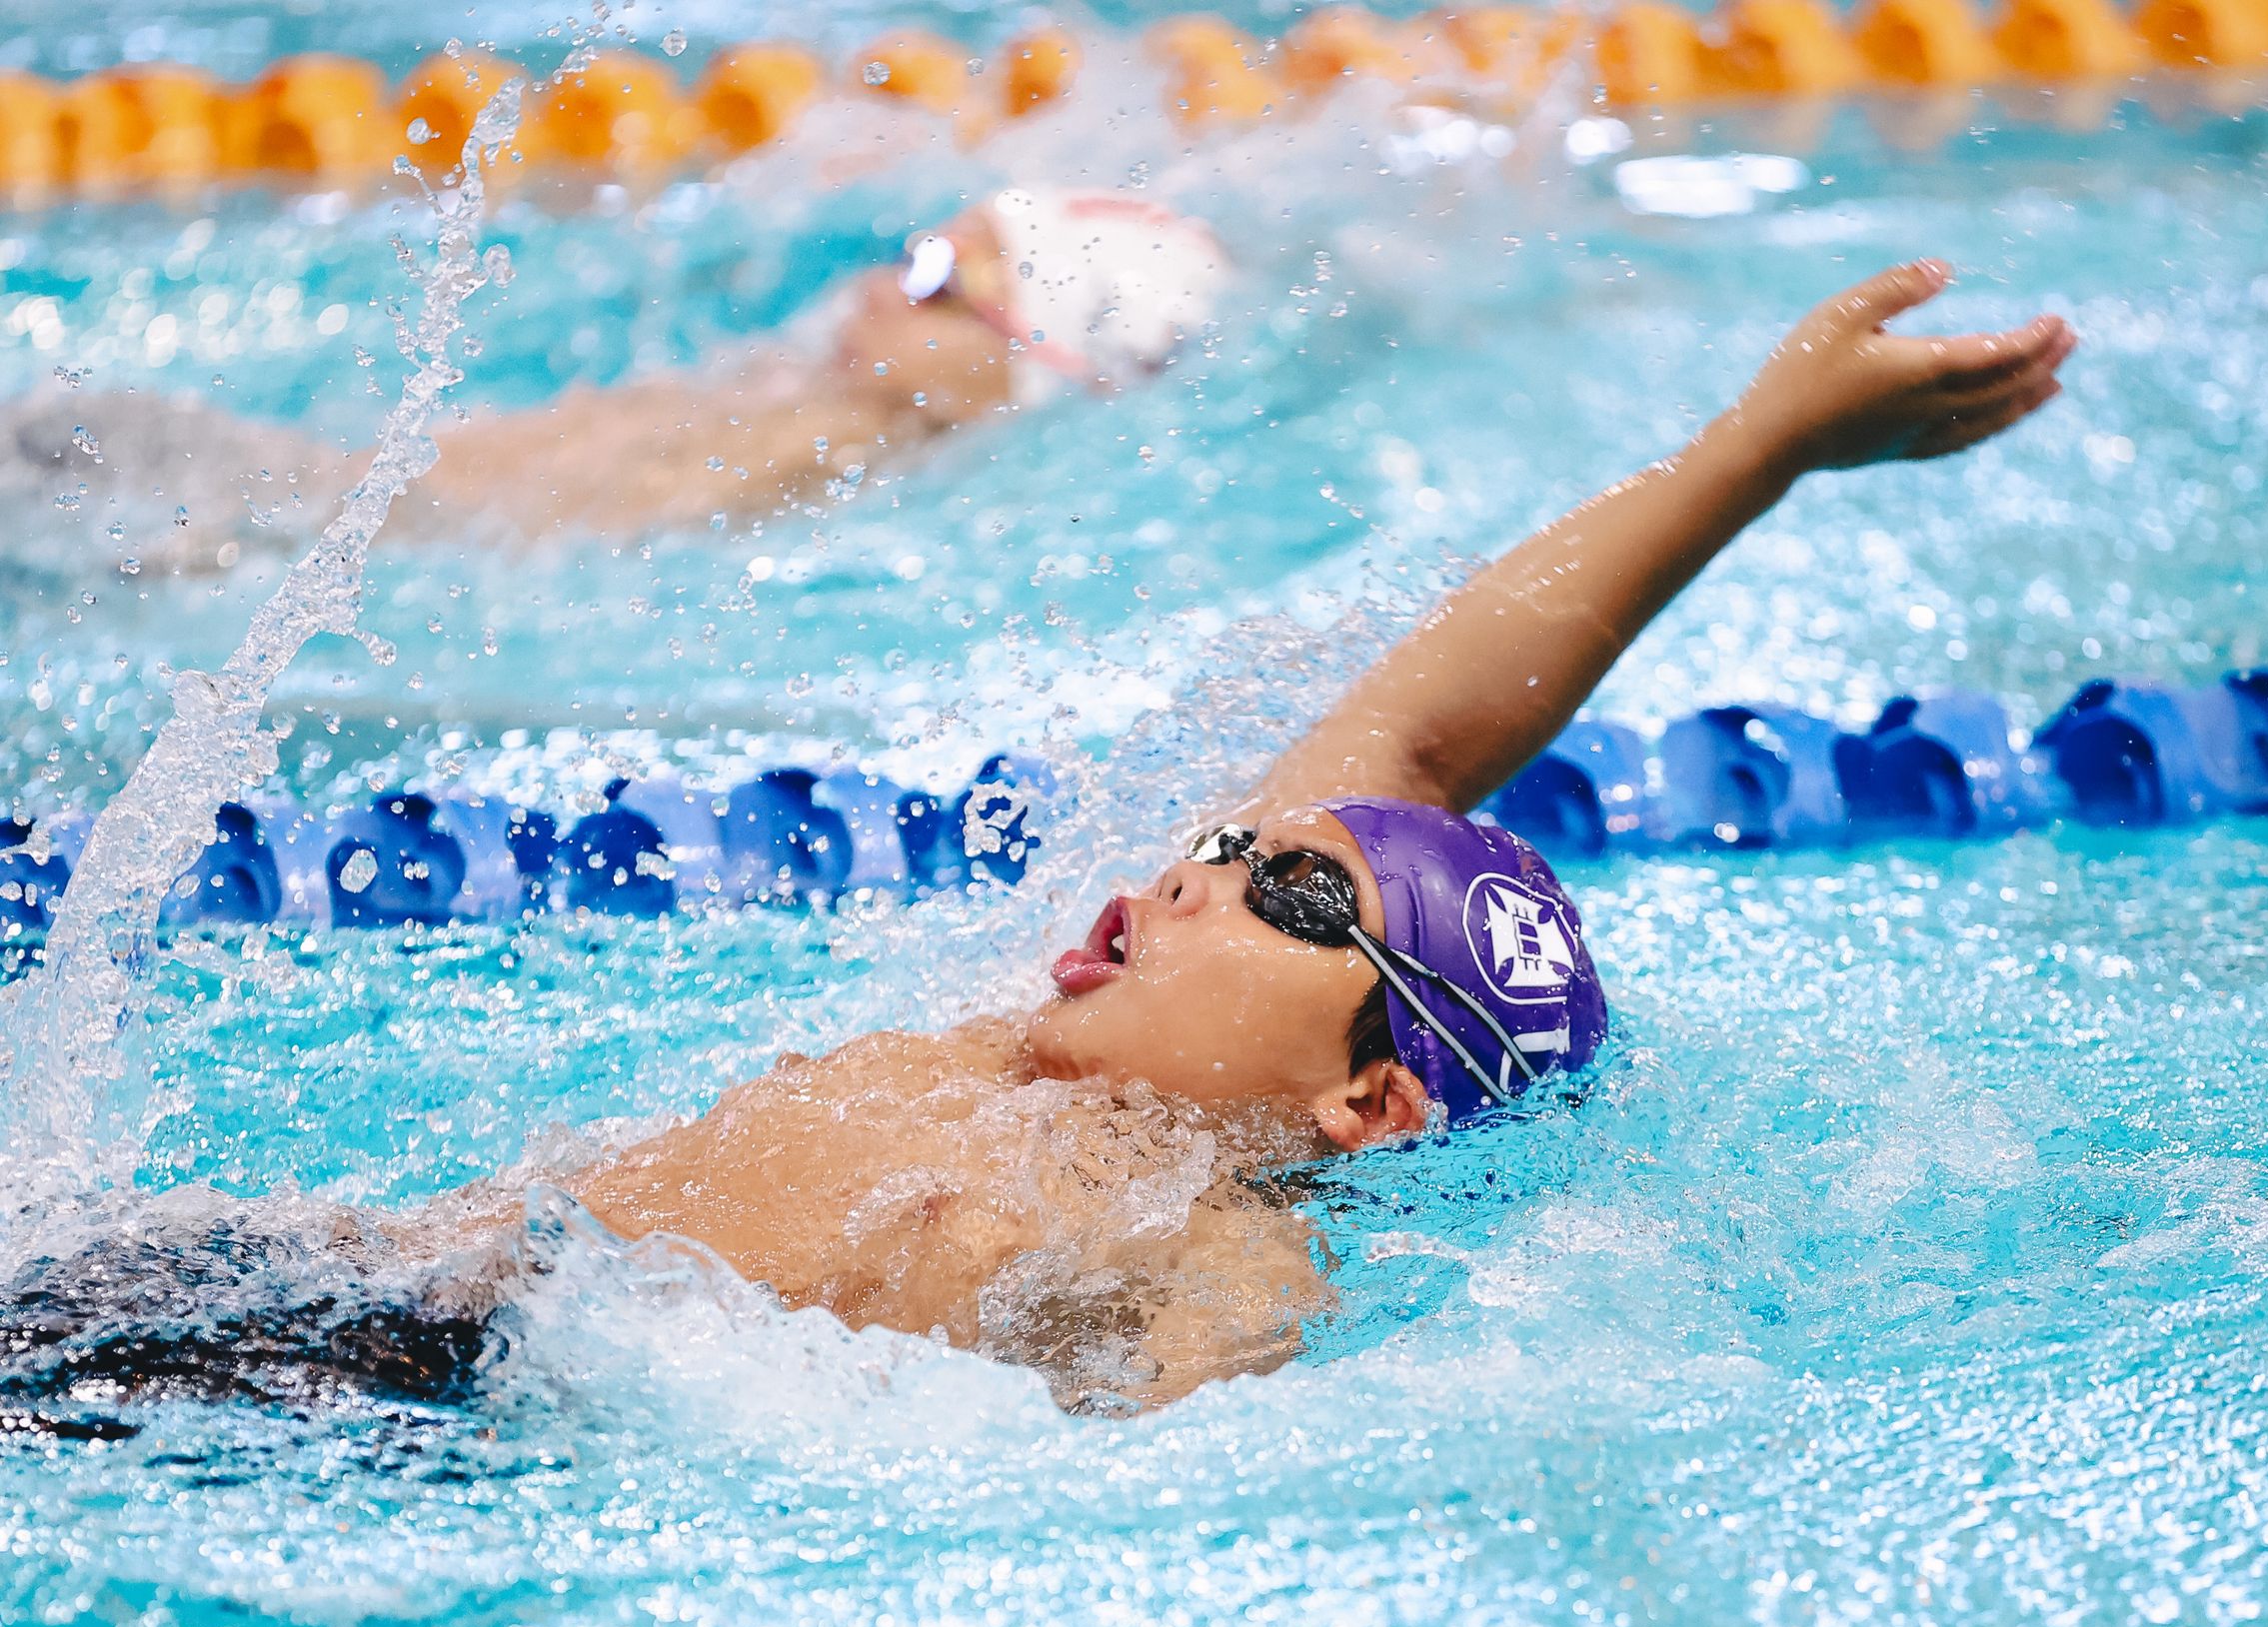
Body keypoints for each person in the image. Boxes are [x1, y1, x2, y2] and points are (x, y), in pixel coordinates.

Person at [0, 260, 2072, 1420]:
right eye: (1216, 839)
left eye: (1286, 892)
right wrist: (1756, 453)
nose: (1196, 870)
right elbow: (1431, 732)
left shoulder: (1204, 1235)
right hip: (309, 1263)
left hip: (404, 1401)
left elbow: (1188, 1464)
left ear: (1371, 1096)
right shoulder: (1029, 1041)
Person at [0, 186, 1229, 564]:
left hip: (283, 525)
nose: (873, 284)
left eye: (929, 277)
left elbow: (504, 525)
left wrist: (257, 529)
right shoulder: (808, 393)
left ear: (1025, 363)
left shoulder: (815, 450)